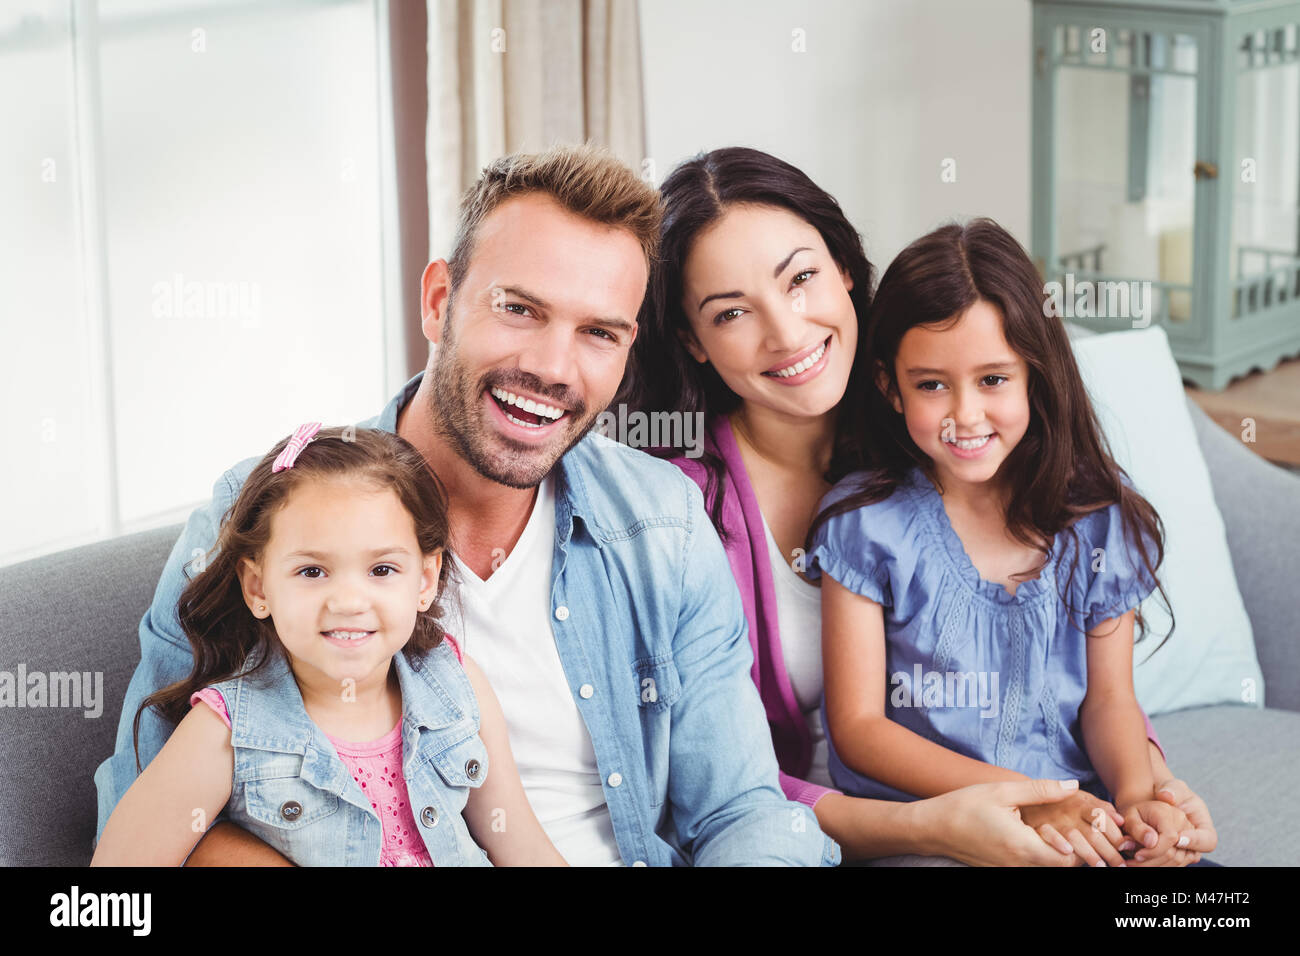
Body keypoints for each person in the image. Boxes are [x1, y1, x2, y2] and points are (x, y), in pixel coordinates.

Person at [95, 144, 837, 866]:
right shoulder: (268, 518)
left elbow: (741, 810)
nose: (551, 367)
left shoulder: (665, 525)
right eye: (518, 308)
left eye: (597, 333)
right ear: (440, 300)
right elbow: (149, 819)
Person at [622, 147, 1216, 865]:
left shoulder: (933, 443)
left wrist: (1146, 789)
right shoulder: (676, 512)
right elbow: (709, 781)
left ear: (845, 268)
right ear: (693, 341)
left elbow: (1075, 683)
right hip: (828, 833)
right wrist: (959, 821)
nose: (785, 333)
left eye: (801, 279)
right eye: (733, 313)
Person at [807, 218, 1209, 867]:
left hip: (1078, 820)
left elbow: (1110, 699)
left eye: (993, 380)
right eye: (931, 384)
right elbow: (859, 733)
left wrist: (1140, 798)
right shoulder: (865, 526)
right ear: (889, 385)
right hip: (937, 831)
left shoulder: (1095, 515)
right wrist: (1029, 798)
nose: (965, 414)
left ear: (1034, 376)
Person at [92, 426, 563, 866]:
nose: (349, 602)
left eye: (381, 570)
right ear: (258, 588)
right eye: (312, 572)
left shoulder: (454, 683)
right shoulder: (223, 732)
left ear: (425, 579)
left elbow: (522, 844)